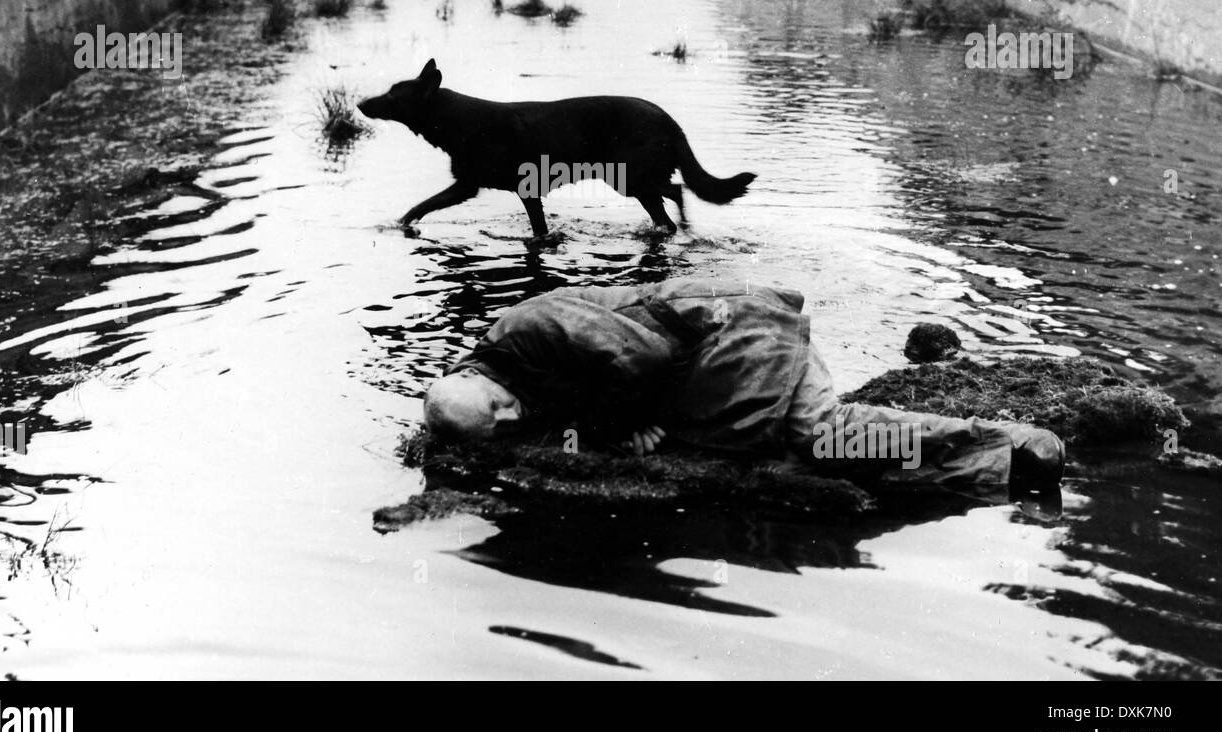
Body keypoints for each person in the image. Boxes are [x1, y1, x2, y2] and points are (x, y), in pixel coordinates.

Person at [423, 279, 1065, 500]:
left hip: (729, 330)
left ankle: (1012, 446)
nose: (512, 420)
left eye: (500, 409)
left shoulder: (523, 329)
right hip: (708, 368)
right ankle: (995, 472)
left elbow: (642, 359)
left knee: (818, 438)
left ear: (467, 377)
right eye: (499, 426)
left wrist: (617, 426)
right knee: (795, 456)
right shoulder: (496, 382)